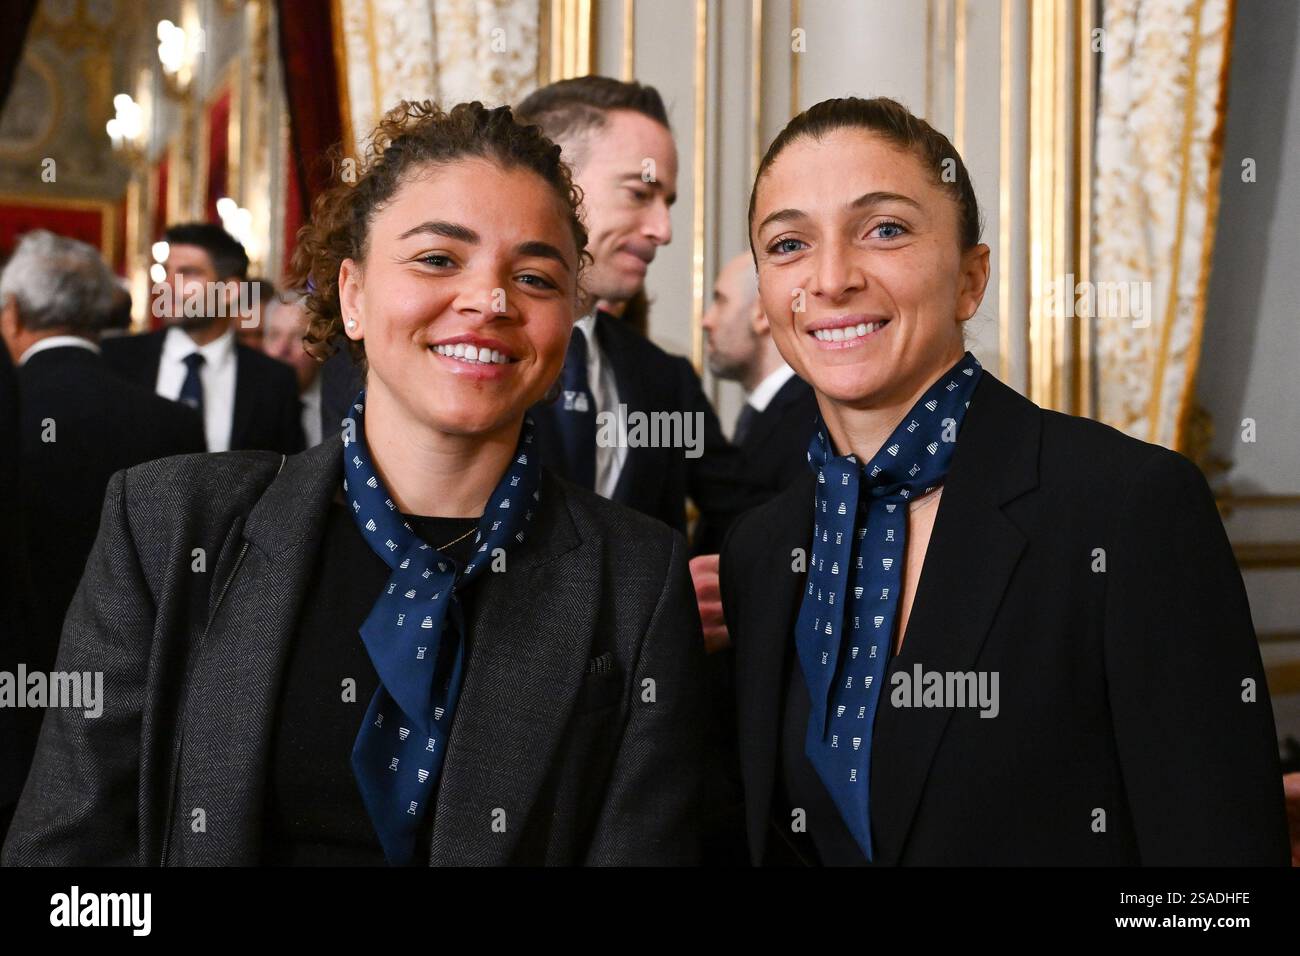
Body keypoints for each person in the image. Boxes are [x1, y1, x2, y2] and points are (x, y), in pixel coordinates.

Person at [2, 101, 705, 867]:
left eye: (534, 276)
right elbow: (66, 868)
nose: (490, 301)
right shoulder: (170, 524)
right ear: (353, 295)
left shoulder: (639, 579)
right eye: (438, 259)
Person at [722, 96, 1289, 865]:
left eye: (884, 229)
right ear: (765, 296)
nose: (830, 279)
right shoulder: (762, 552)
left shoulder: (1126, 508)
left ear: (969, 277)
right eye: (788, 244)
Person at [0, 230, 204, 841]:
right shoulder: (169, 422)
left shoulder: (14, 412)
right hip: (130, 705)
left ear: (11, 316)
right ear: (98, 313)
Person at [101, 223, 304, 455]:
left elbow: (288, 479)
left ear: (229, 292)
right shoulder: (113, 359)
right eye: (166, 271)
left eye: (188, 273)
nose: (167, 285)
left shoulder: (275, 382)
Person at [699, 250, 818, 533]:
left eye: (720, 301)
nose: (706, 320)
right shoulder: (772, 412)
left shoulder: (814, 418)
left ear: (762, 314)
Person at [262, 291, 323, 446]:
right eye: (274, 335)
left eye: (299, 337)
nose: (282, 349)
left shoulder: (344, 406)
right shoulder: (248, 406)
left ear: (323, 346)